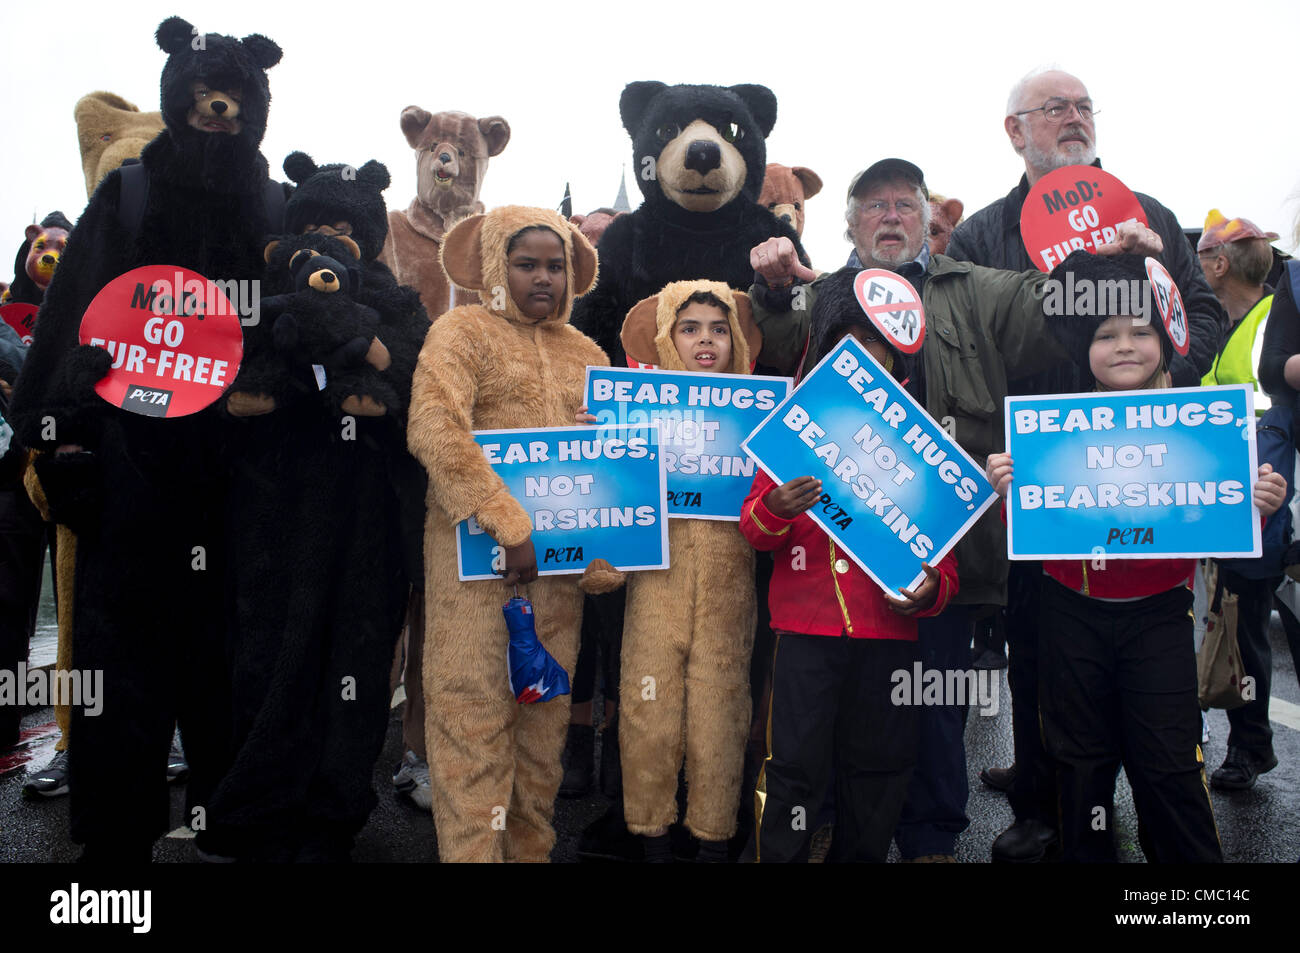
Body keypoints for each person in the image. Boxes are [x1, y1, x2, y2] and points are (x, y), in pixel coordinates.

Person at [748, 157, 1164, 862]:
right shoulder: (822, 295)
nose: (890, 216)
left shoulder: (977, 289)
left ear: (927, 221)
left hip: (949, 556)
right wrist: (771, 286)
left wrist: (1106, 262)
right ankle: (823, 831)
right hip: (829, 571)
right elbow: (773, 342)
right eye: (874, 205)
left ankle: (932, 838)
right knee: (821, 724)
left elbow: (1058, 310)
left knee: (934, 710)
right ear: (849, 224)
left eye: (905, 205)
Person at [7, 18, 283, 862]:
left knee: (232, 673)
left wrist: (271, 397)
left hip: (236, 484)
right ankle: (112, 858)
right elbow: (59, 333)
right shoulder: (126, 197)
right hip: (129, 478)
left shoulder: (272, 207)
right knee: (116, 682)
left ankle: (230, 829)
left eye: (233, 98)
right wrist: (61, 438)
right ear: (178, 98)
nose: (217, 110)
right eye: (202, 96)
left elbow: (301, 327)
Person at [944, 67, 1227, 862]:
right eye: (1053, 108)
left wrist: (1167, 370)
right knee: (1039, 646)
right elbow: (971, 332)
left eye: (1082, 107)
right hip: (1043, 485)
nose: (1073, 118)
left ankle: (1161, 820)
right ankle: (1045, 805)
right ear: (1016, 131)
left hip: (1144, 477)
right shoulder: (982, 234)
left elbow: (1199, 312)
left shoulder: (1152, 214)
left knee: (1153, 695)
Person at [987, 250, 1286, 862]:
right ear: (1083, 347)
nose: (1124, 346)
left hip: (1159, 618)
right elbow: (1035, 530)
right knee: (1079, 764)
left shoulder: (1201, 421)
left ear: (1165, 340)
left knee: (1170, 765)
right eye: (1105, 334)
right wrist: (1009, 489)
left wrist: (1264, 498)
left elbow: (1225, 514)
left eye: (1140, 332)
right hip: (1069, 615)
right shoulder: (1051, 430)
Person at [406, 207, 608, 862]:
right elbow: (435, 430)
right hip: (473, 587)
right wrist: (506, 518)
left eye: (557, 265)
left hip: (557, 597)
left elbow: (612, 466)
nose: (544, 277)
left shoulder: (589, 355)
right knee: (472, 751)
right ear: (495, 265)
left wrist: (608, 554)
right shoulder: (459, 332)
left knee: (538, 763)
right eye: (527, 263)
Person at [740, 267, 959, 862]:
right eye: (850, 346)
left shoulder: (923, 445)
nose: (865, 360)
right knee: (793, 766)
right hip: (805, 635)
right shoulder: (793, 428)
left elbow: (946, 565)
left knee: (881, 766)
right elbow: (755, 533)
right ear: (826, 352)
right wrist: (776, 508)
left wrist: (930, 590)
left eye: (877, 349)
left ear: (897, 364)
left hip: (889, 637)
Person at [613, 280, 760, 862]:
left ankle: (714, 833)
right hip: (656, 579)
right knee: (647, 703)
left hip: (730, 583)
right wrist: (601, 432)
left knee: (721, 706)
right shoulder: (637, 405)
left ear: (737, 340)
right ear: (666, 337)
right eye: (689, 328)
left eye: (719, 329)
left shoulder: (763, 409)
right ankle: (649, 831)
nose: (705, 340)